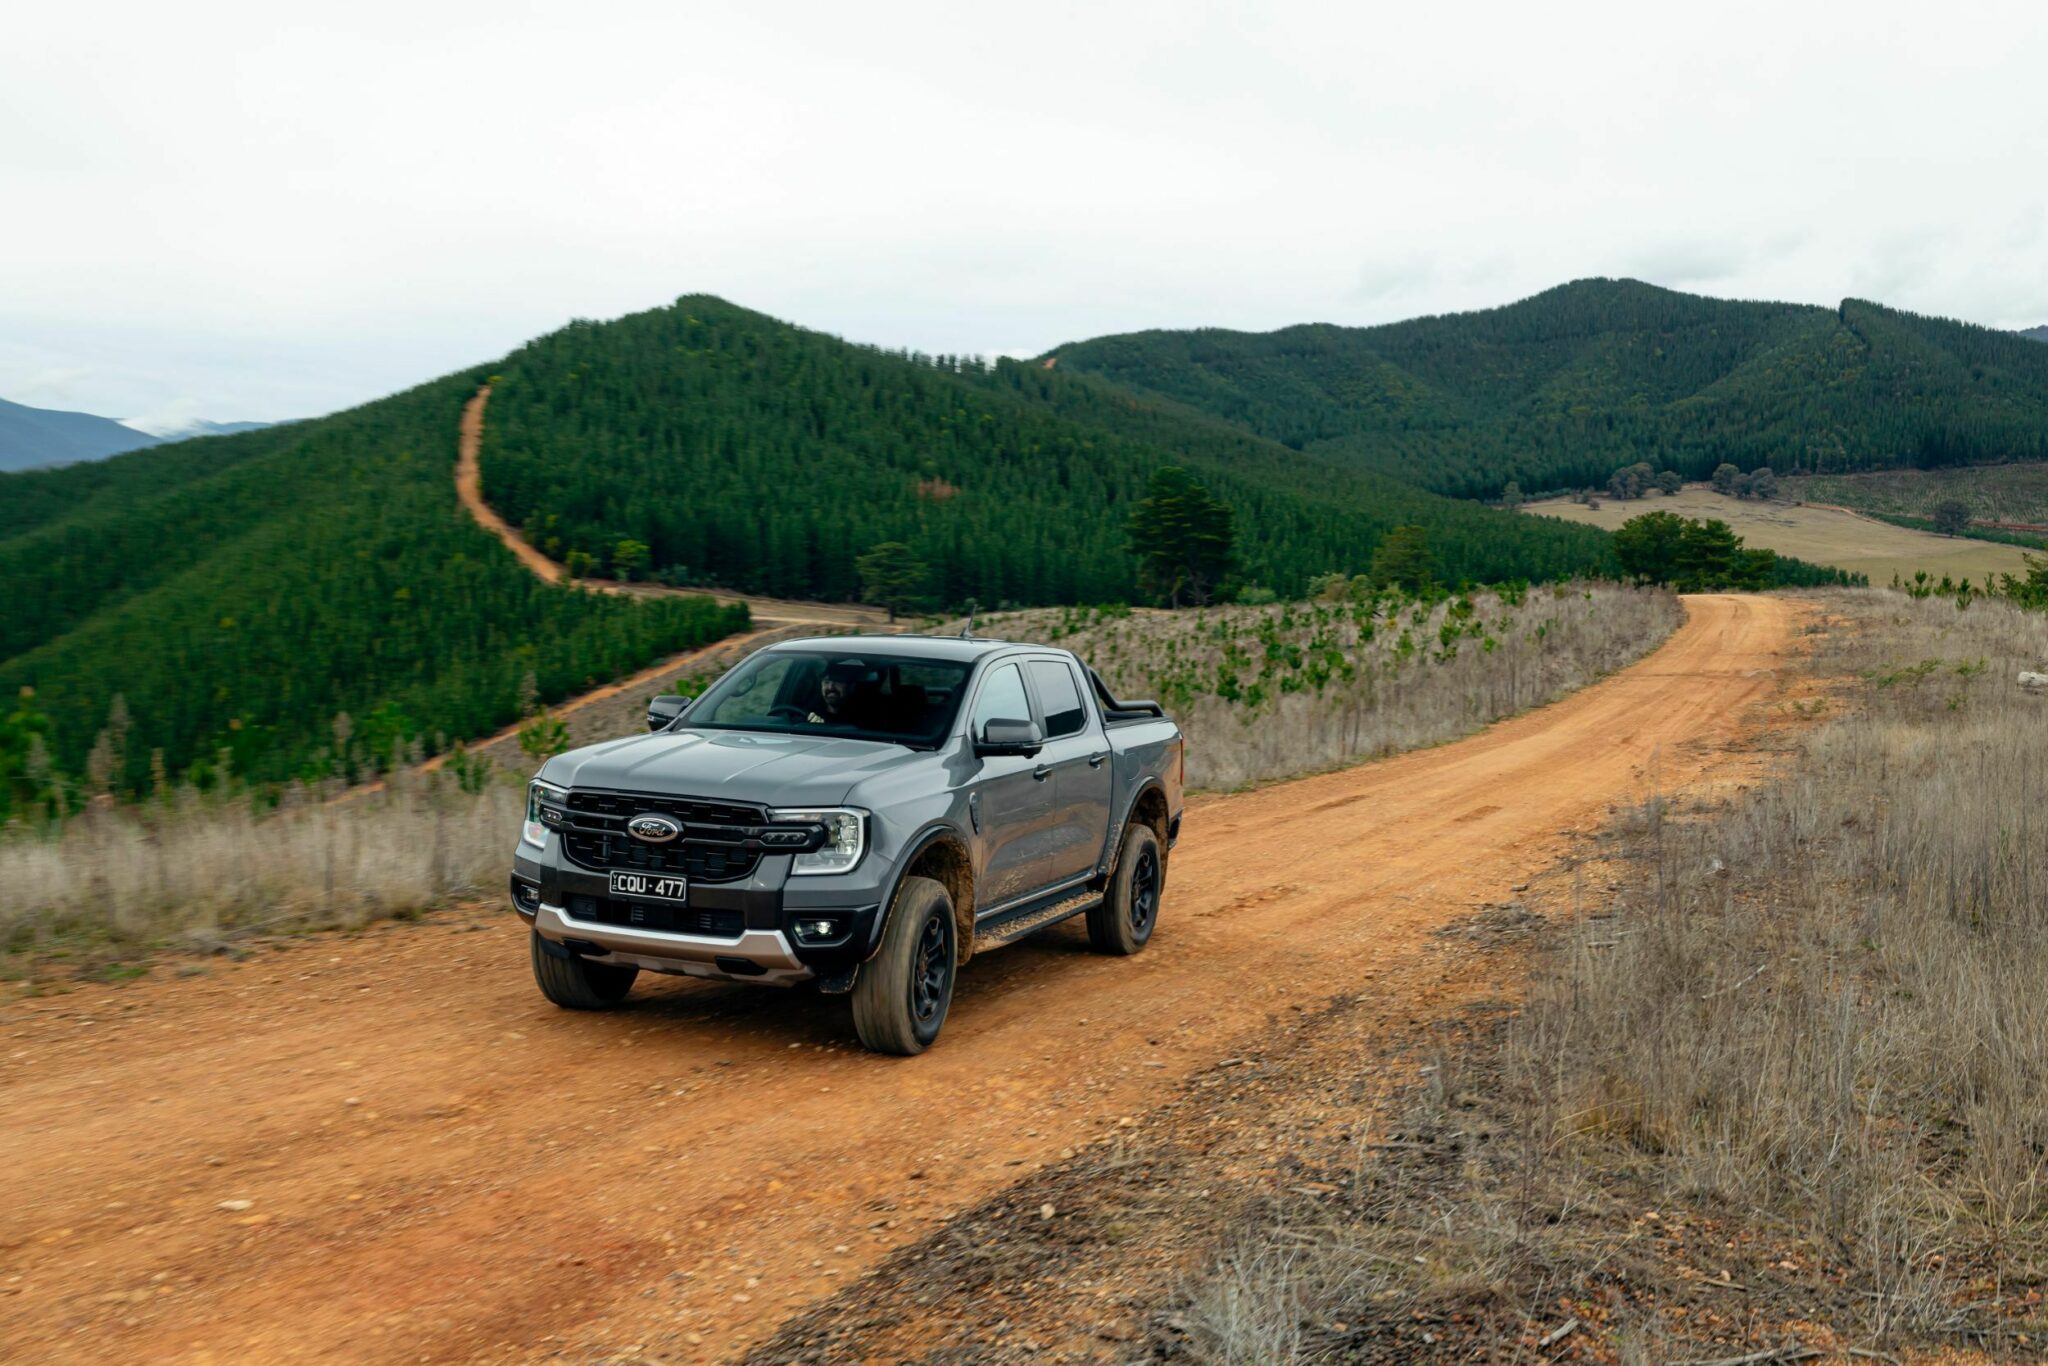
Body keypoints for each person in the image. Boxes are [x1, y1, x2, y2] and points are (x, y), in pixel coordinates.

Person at [807, 659, 867, 724]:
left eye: (838, 681)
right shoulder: (810, 711)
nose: (830, 687)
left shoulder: (863, 717)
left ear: (851, 686)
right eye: (826, 682)